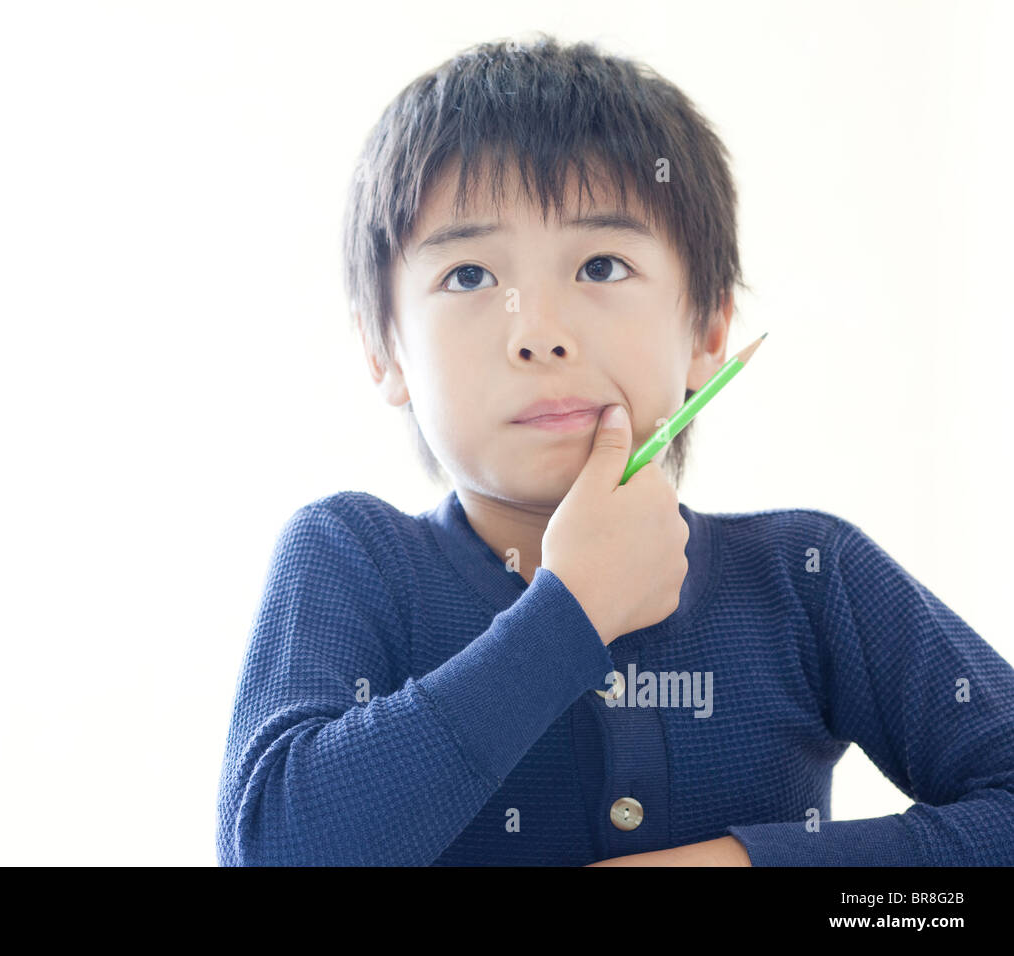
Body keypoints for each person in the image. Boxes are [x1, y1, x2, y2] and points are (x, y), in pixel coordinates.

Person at [215, 33, 1014, 866]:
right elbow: (274, 847)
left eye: (600, 264)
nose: (539, 333)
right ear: (384, 352)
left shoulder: (809, 577)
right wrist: (571, 614)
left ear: (708, 330)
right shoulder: (353, 560)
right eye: (468, 277)